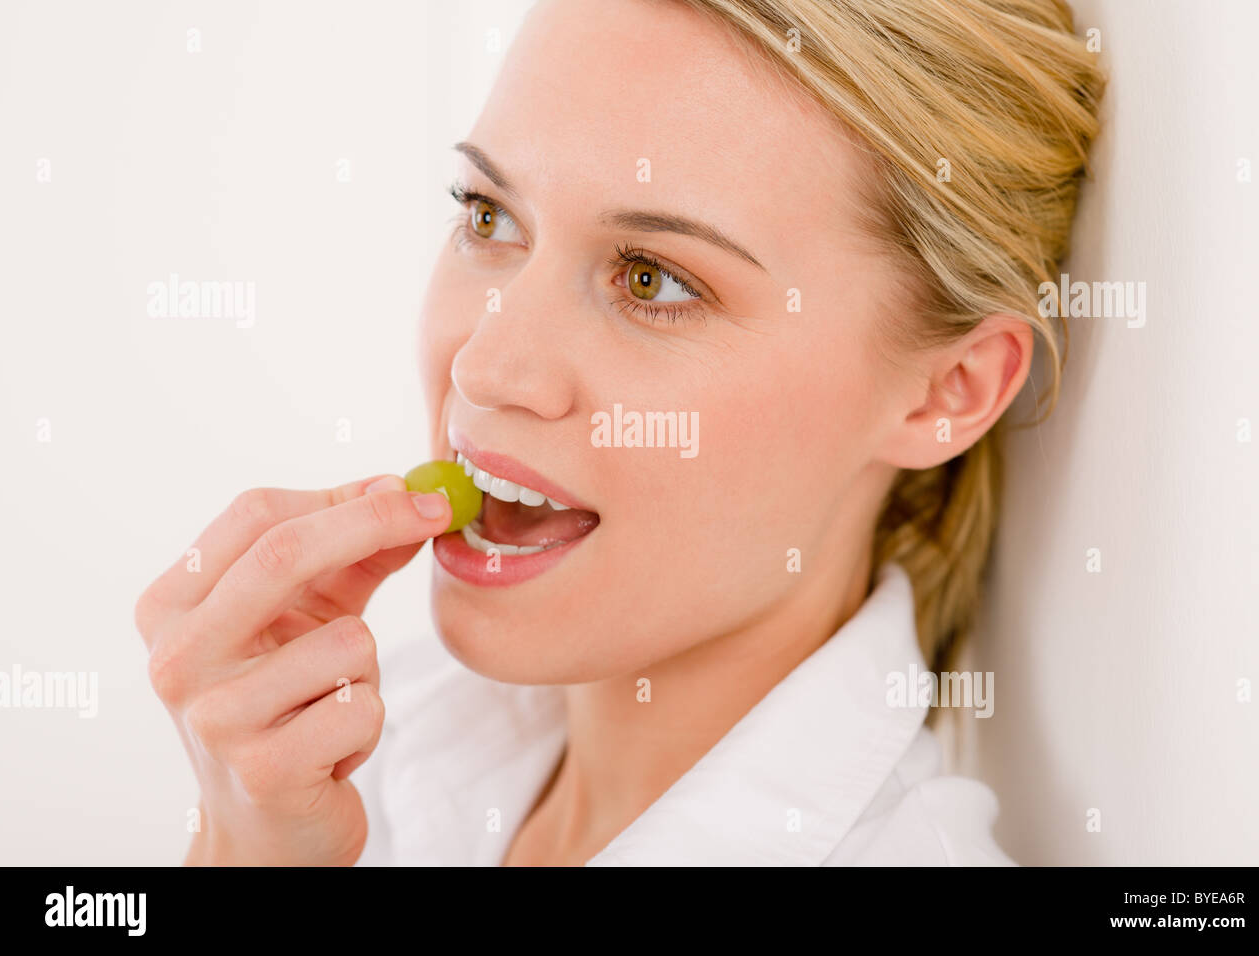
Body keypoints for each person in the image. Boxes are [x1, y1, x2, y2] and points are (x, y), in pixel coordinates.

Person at [134, 0, 1104, 865]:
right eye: (488, 216)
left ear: (949, 390)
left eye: (652, 279)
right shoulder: (365, 766)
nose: (484, 364)